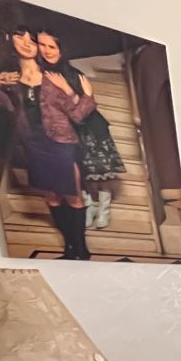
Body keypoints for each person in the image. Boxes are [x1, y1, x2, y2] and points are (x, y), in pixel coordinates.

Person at [0, 24, 95, 259]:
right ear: (11, 43)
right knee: (51, 197)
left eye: (32, 40)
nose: (27, 44)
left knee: (72, 196)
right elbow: (9, 108)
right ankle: (69, 249)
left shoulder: (53, 78)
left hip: (61, 143)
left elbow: (77, 114)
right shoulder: (11, 79)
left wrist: (87, 97)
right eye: (20, 38)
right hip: (33, 145)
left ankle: (82, 250)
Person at [37, 28, 126, 231]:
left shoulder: (72, 73)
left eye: (51, 46)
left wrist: (67, 89)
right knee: (82, 172)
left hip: (91, 128)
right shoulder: (39, 74)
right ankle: (89, 207)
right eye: (42, 45)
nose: (47, 50)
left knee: (101, 171)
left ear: (61, 49)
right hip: (69, 132)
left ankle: (103, 210)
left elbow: (85, 107)